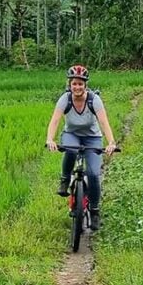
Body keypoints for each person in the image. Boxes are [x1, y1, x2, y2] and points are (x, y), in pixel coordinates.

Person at [45, 64, 118, 230]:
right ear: (69, 85)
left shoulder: (94, 100)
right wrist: (50, 139)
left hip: (92, 137)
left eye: (80, 84)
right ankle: (65, 180)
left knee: (93, 173)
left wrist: (111, 142)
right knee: (70, 150)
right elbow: (55, 120)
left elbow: (103, 122)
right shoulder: (65, 99)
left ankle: (94, 211)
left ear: (86, 85)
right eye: (74, 84)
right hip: (72, 134)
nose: (77, 87)